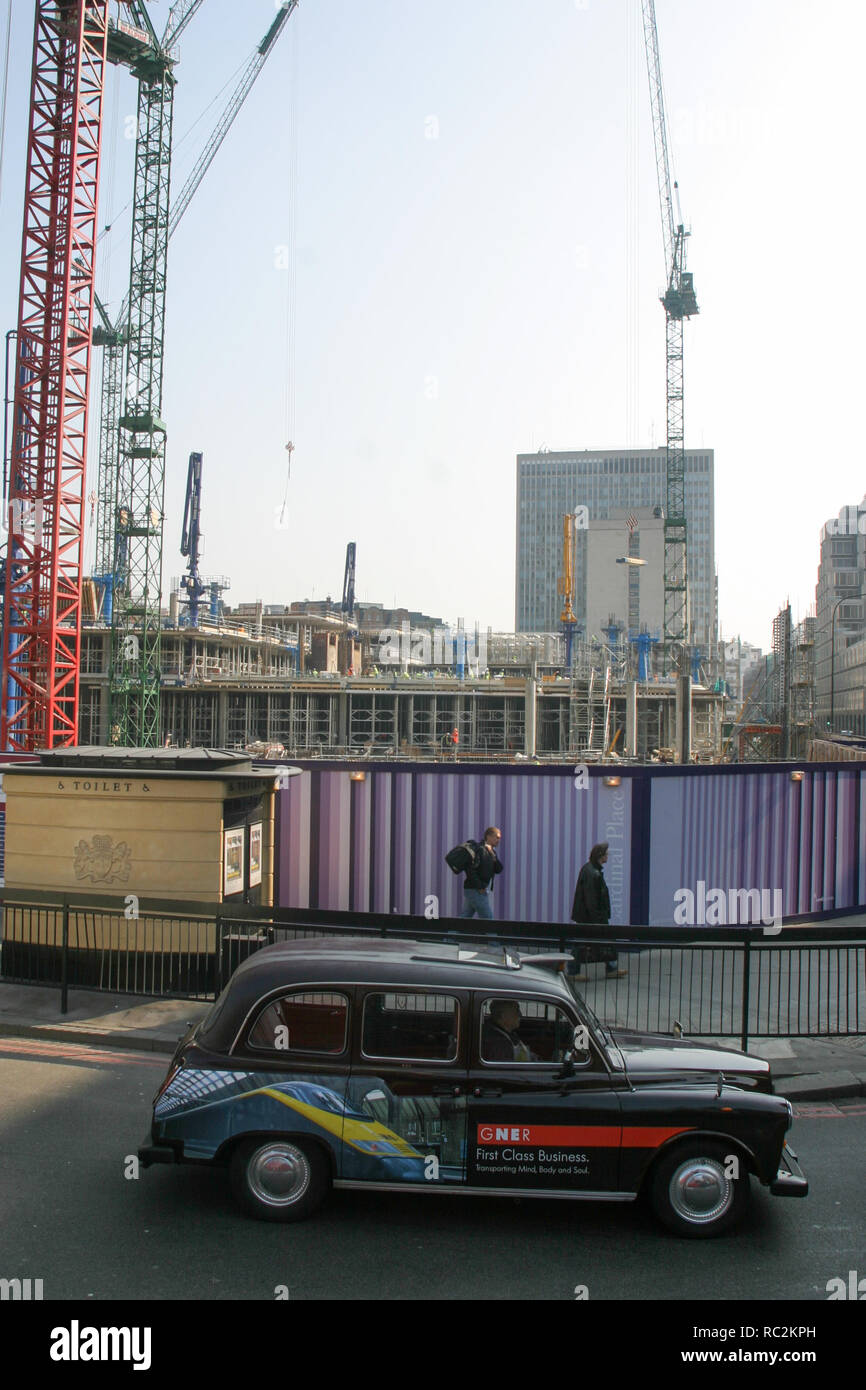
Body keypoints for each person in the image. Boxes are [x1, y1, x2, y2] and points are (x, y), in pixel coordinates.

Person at [570, 841, 627, 980]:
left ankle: (610, 967)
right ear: (600, 856)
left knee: (596, 941)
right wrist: (597, 920)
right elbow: (592, 899)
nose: (608, 856)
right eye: (606, 854)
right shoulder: (593, 873)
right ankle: (573, 971)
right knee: (586, 943)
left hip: (588, 916)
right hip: (591, 918)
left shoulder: (590, 870)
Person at [459, 826, 503, 919]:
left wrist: (493, 856)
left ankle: (453, 933)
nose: (499, 840)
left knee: (464, 917)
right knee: (488, 918)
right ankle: (491, 934)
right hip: (476, 890)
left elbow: (499, 869)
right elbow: (470, 870)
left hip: (474, 889)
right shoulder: (479, 850)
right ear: (489, 836)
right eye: (497, 837)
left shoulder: (491, 851)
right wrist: (480, 886)